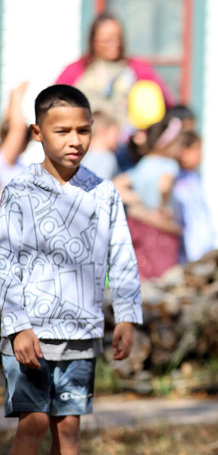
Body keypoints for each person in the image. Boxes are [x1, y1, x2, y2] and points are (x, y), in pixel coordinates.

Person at [0, 85, 142, 454]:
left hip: (80, 335)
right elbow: (4, 261)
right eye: (62, 131)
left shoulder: (103, 193)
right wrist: (17, 327)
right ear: (37, 134)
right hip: (30, 336)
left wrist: (126, 315)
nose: (74, 140)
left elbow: (122, 255)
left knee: (69, 431)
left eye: (83, 130)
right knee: (31, 425)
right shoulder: (18, 192)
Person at [55, 12, 173, 131]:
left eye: (119, 39)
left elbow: (165, 101)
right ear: (93, 41)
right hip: (87, 141)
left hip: (126, 142)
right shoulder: (78, 69)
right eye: (107, 40)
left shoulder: (137, 69)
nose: (114, 45)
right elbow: (53, 103)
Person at [115, 116, 183, 279]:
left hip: (137, 225)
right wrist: (162, 206)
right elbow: (165, 185)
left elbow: (116, 185)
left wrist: (137, 200)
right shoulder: (169, 165)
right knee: (162, 275)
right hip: (161, 229)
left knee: (140, 274)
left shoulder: (143, 164)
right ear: (167, 143)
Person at [173, 130, 215, 263]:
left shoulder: (194, 177)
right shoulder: (175, 179)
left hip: (203, 246)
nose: (200, 156)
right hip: (186, 249)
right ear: (184, 152)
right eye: (197, 151)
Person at [0, 82, 32, 190]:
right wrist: (16, 96)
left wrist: (12, 99)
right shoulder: (5, 159)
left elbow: (6, 125)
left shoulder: (10, 160)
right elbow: (18, 129)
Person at [81, 110, 120, 180]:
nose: (118, 140)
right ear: (103, 131)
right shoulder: (107, 158)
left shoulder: (81, 152)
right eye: (115, 135)